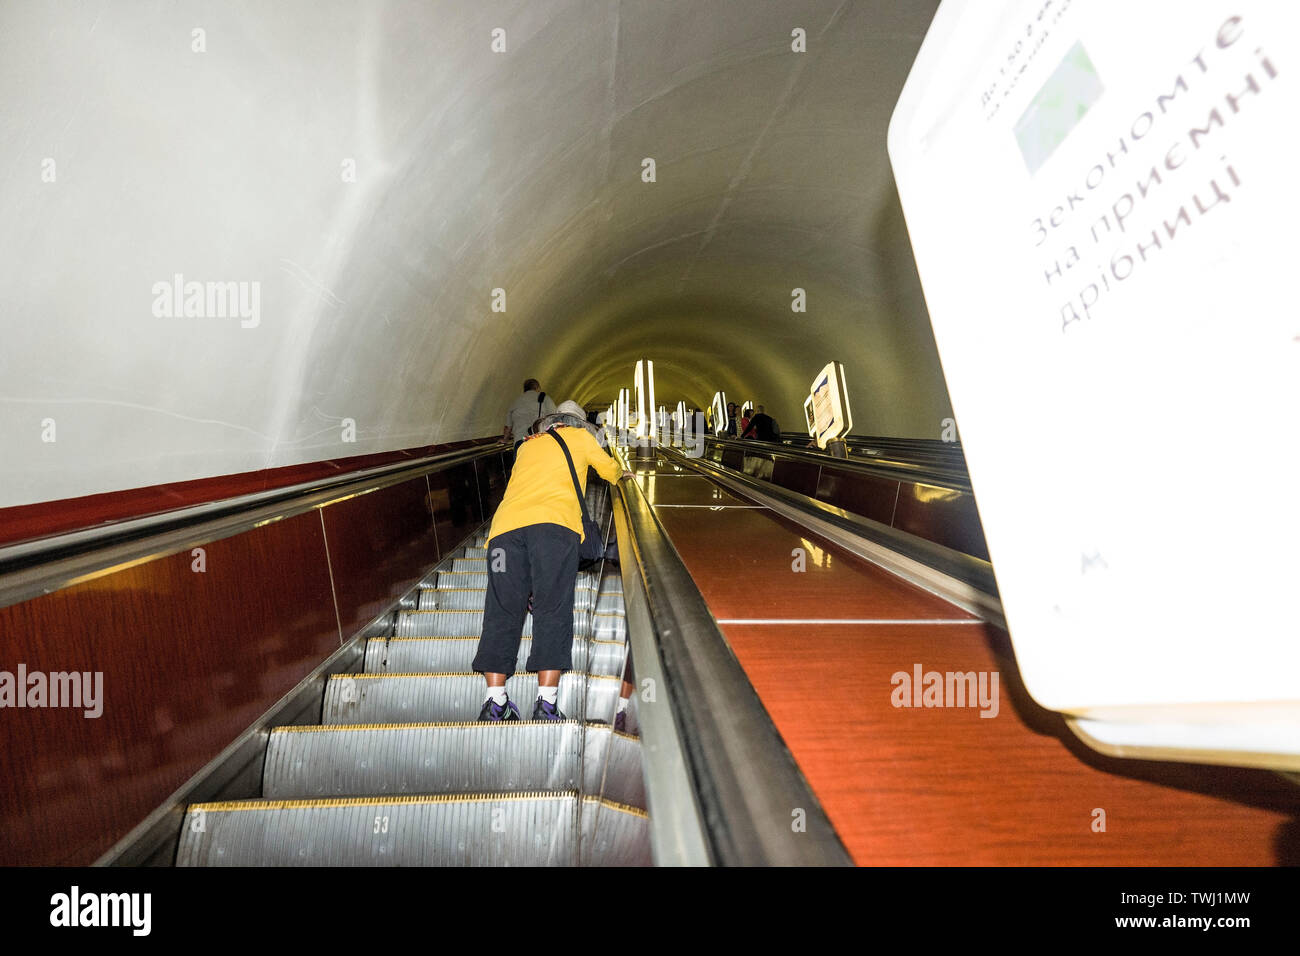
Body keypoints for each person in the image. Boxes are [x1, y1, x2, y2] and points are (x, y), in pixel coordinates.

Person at [474, 400, 631, 721]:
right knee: (552, 609)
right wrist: (624, 473)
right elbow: (608, 470)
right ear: (577, 424)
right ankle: (545, 703)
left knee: (501, 611)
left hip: (503, 534)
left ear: (549, 423)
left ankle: (495, 701)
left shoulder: (527, 447)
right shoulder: (581, 438)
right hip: (553, 531)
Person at [503, 379, 557, 463]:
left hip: (520, 443)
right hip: (540, 441)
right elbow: (554, 418)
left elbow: (508, 427)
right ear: (538, 388)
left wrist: (505, 439)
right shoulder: (545, 398)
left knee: (522, 471)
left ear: (525, 389)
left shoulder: (515, 402)